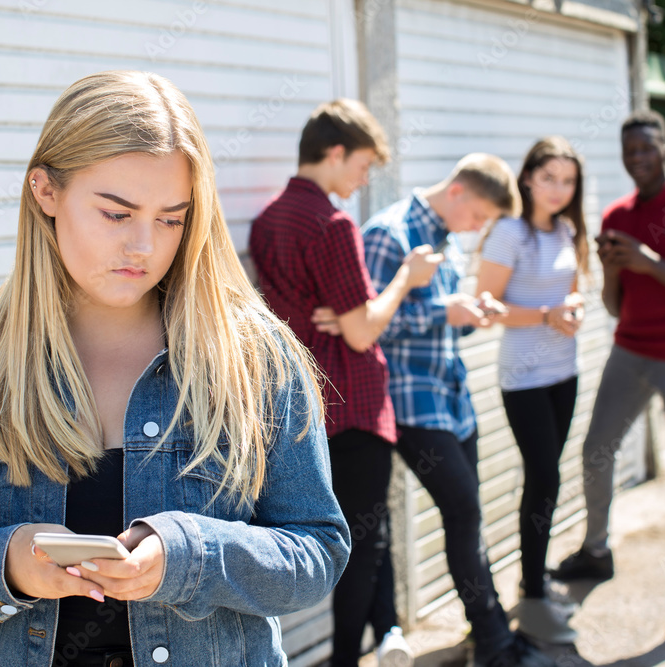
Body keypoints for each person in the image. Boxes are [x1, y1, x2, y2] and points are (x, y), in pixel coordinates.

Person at [0, 70, 350, 667]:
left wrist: (188, 555)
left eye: (172, 218)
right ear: (45, 192)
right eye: (117, 214)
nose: (144, 246)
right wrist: (5, 565)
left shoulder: (257, 358)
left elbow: (317, 553)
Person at [250, 98, 435, 667]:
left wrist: (333, 313)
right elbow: (361, 332)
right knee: (358, 540)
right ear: (334, 153)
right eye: (362, 165)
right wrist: (405, 279)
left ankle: (388, 634)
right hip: (352, 402)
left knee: (352, 534)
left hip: (298, 404)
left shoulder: (266, 221)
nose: (363, 179)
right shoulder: (332, 225)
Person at [352, 154, 555, 667]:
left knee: (468, 516)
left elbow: (438, 323)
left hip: (451, 398)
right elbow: (369, 326)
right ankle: (493, 641)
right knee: (463, 510)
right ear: (459, 191)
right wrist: (446, 310)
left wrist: (469, 315)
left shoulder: (447, 240)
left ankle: (489, 634)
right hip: (409, 403)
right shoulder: (387, 234)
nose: (479, 228)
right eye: (481, 216)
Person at [550, 110, 665, 641]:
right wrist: (612, 270)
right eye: (630, 152)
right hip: (630, 351)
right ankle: (597, 550)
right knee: (595, 450)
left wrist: (652, 262)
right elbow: (614, 304)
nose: (639, 159)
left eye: (647, 149)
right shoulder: (618, 214)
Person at [476, 136, 589, 645]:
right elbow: (487, 306)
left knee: (550, 480)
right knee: (542, 477)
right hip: (523, 378)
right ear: (527, 179)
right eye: (549, 178)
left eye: (567, 181)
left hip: (565, 374)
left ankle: (534, 582)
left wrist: (575, 309)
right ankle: (533, 598)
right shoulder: (508, 232)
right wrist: (546, 316)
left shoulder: (567, 228)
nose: (558, 189)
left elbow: (572, 290)